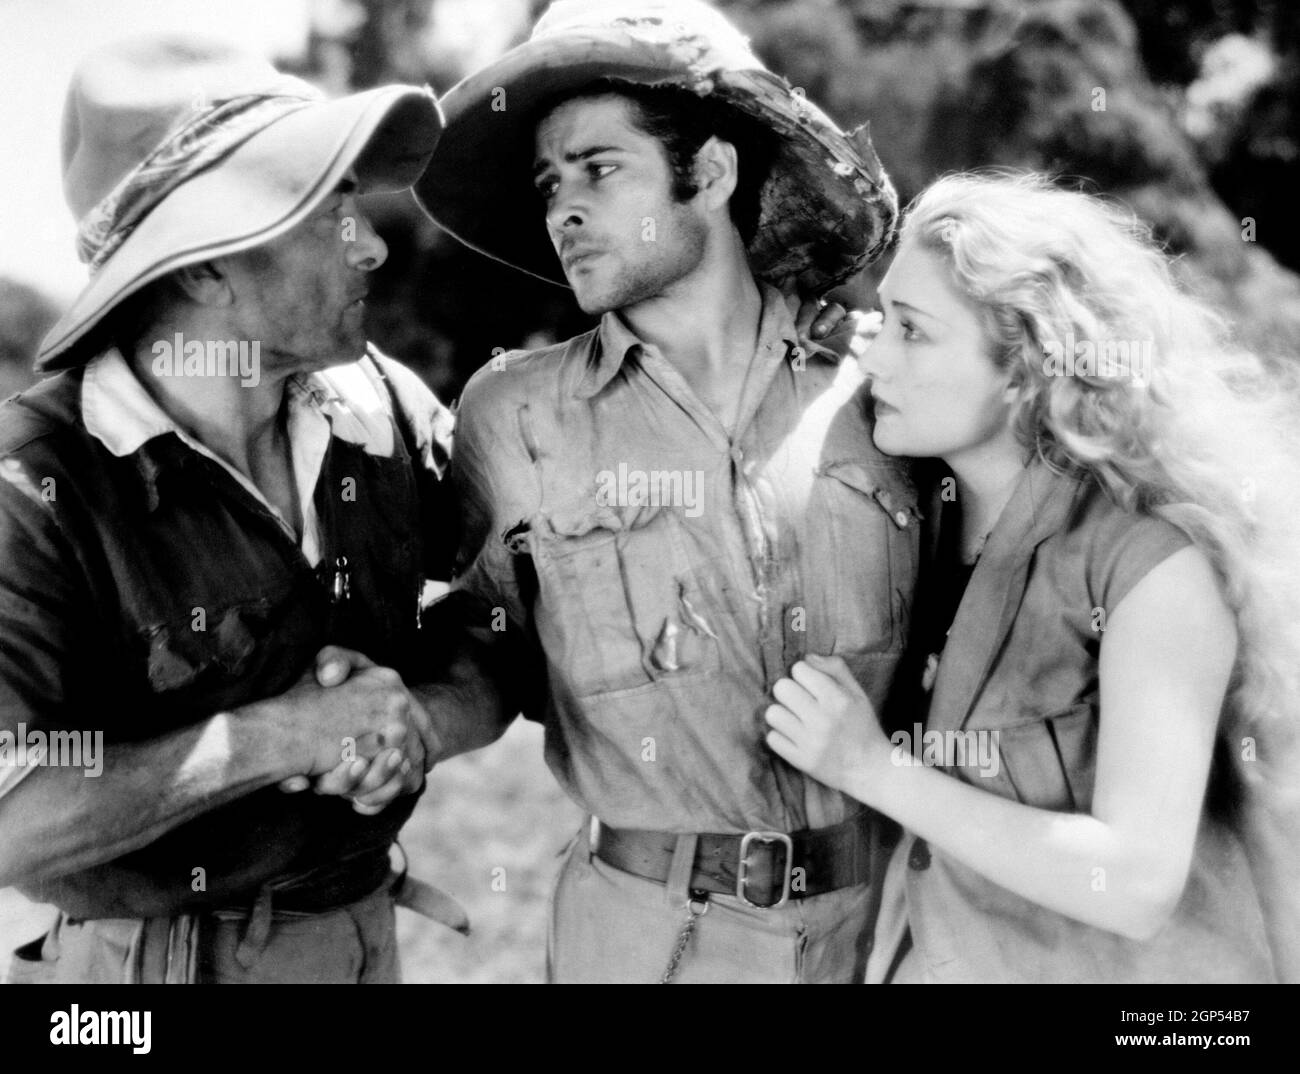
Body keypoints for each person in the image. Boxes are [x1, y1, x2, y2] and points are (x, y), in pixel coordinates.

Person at [409, 0, 914, 983]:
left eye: (599, 169)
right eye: (550, 182)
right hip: (643, 943)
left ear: (712, 173)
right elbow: (487, 643)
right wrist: (403, 724)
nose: (562, 207)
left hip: (883, 928)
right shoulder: (515, 413)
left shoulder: (885, 388)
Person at [0, 35, 462, 983]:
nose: (372, 243)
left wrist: (409, 725)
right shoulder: (34, 489)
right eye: (331, 214)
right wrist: (277, 739)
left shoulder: (384, 409)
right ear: (204, 264)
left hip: (361, 939)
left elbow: (498, 620)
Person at [763, 171, 1300, 982]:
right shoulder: (922, 523)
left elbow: (1134, 881)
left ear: (1021, 370)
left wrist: (872, 768)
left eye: (912, 330)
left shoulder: (1154, 566)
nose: (874, 353)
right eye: (882, 320)